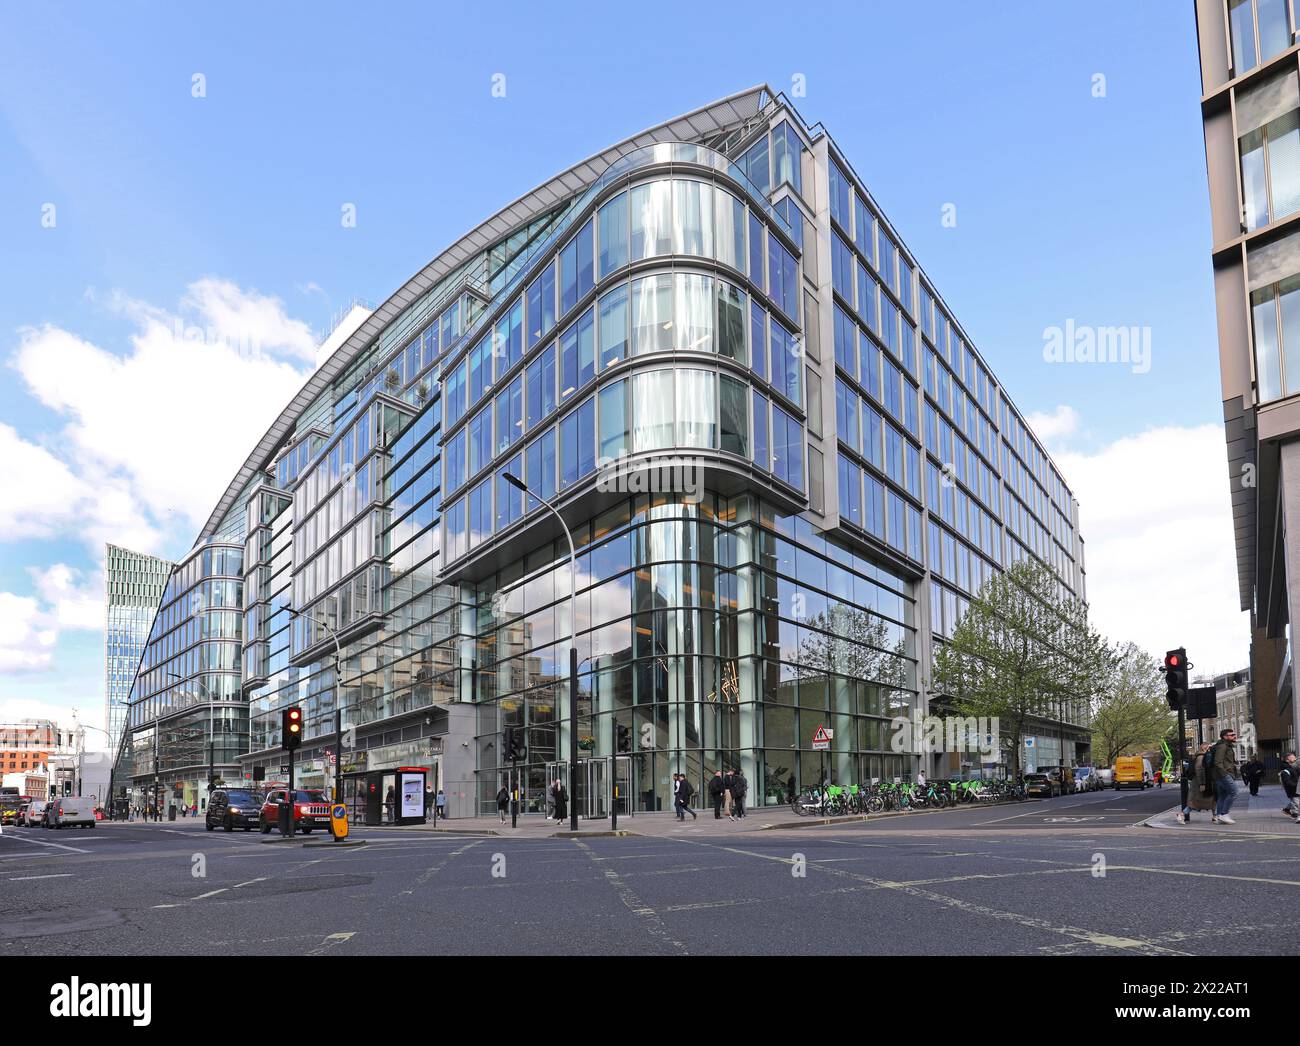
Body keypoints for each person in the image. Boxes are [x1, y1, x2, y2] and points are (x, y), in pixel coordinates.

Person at [1209, 727, 1240, 824]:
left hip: (1221, 775)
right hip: (1223, 774)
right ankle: (1224, 814)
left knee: (1223, 795)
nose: (1234, 736)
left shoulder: (1226, 745)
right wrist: (1225, 774)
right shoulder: (1223, 746)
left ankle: (1219, 816)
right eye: (1232, 735)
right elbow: (1218, 762)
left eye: (1234, 734)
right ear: (1225, 737)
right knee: (1234, 792)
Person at [1177, 743, 1213, 824]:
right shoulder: (1201, 757)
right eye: (1209, 748)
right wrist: (1202, 783)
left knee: (1206, 801)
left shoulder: (1198, 756)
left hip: (1198, 782)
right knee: (1196, 802)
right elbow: (1200, 770)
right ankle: (1181, 814)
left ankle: (1215, 816)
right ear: (1205, 749)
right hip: (1199, 783)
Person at [1281, 752, 1299, 821]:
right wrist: (1294, 785)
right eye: (1292, 757)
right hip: (1292, 789)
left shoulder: (1295, 767)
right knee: (1296, 801)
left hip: (1297, 787)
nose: (1295, 758)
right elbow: (1287, 782)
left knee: (1296, 801)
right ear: (1287, 760)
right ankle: (1295, 815)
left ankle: (1287, 809)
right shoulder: (1286, 770)